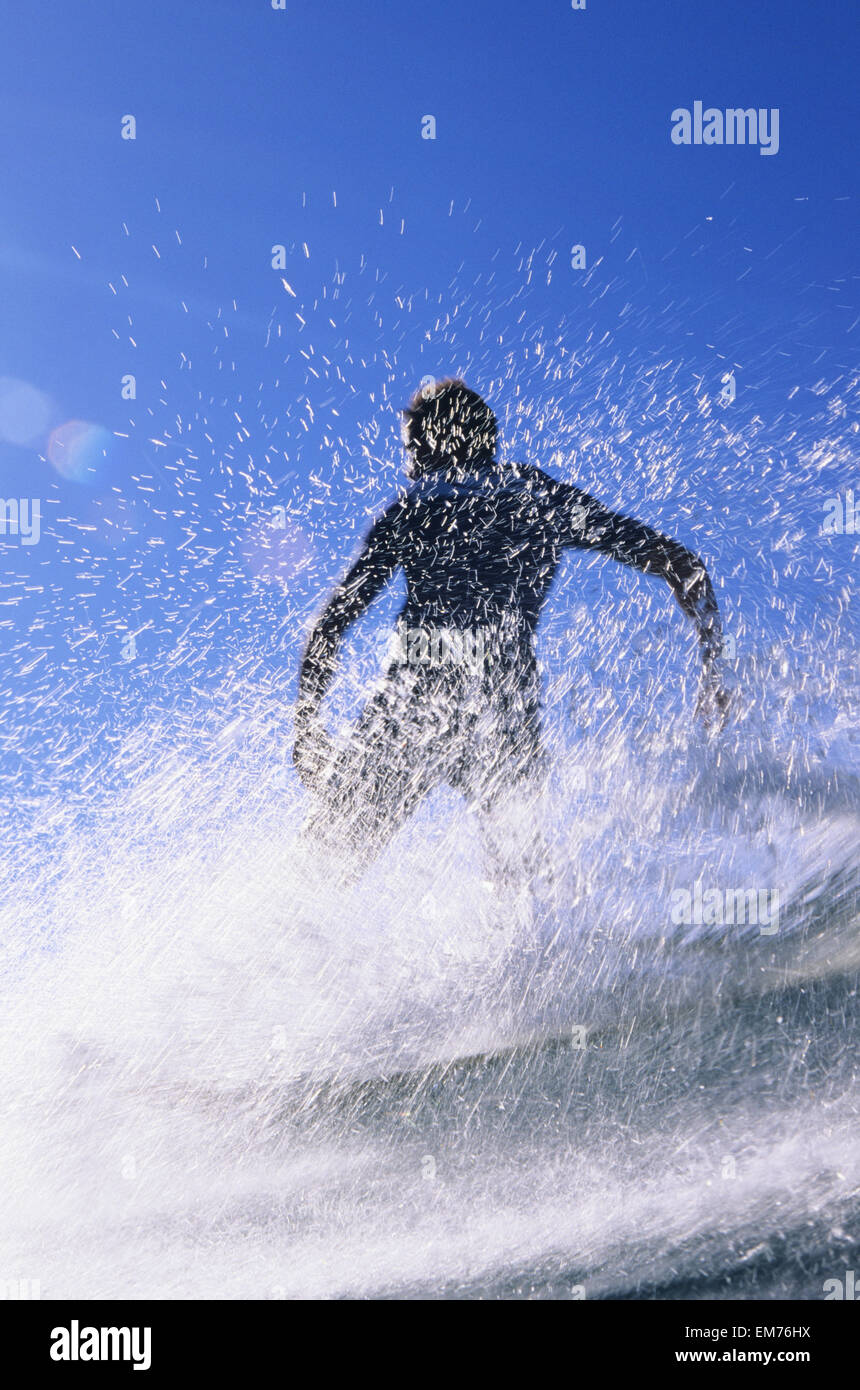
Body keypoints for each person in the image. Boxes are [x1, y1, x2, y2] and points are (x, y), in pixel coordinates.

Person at [293, 378, 729, 882]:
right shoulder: (534, 494)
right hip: (503, 707)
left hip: (412, 702)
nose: (408, 465)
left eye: (412, 450)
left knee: (324, 865)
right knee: (523, 888)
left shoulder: (409, 509)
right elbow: (682, 564)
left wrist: (306, 724)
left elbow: (330, 625)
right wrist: (712, 670)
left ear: (437, 444)